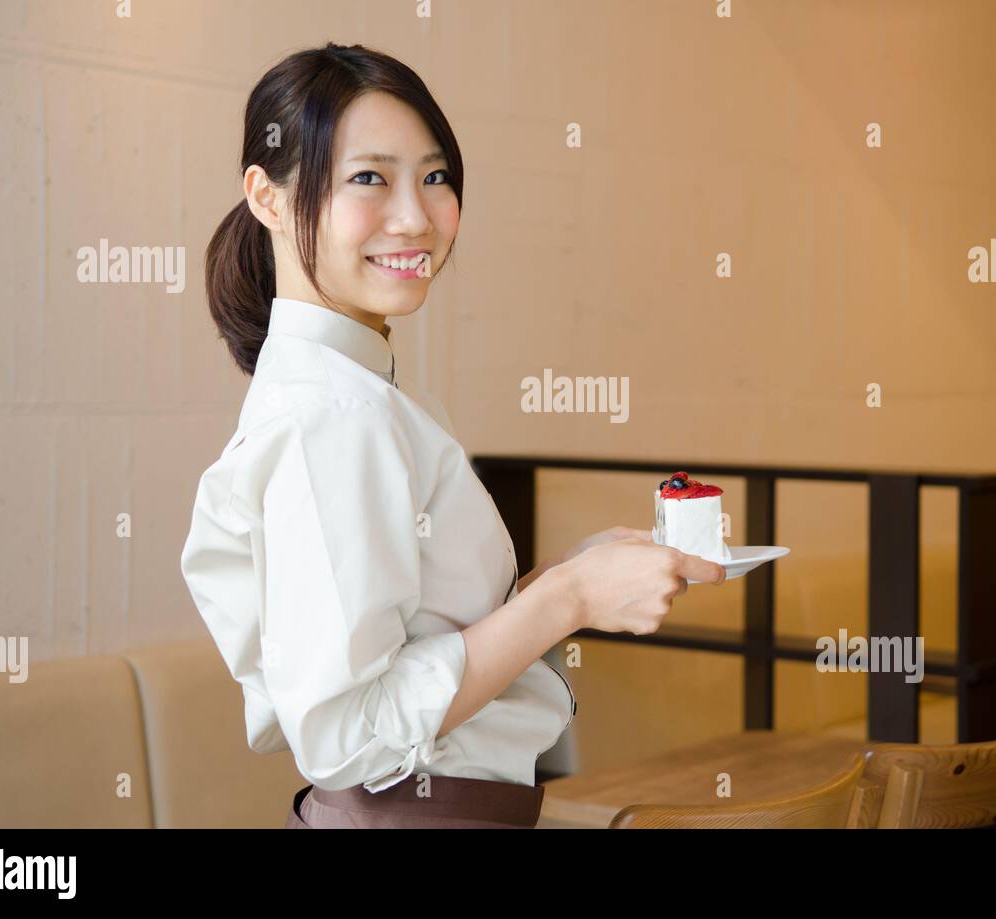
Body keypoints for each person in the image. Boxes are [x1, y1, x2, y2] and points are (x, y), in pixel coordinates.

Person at [179, 42, 724, 829]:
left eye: (434, 177)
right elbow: (345, 733)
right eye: (369, 178)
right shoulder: (333, 412)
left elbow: (415, 641)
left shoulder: (361, 386)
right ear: (266, 196)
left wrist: (567, 578)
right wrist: (568, 599)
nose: (417, 216)